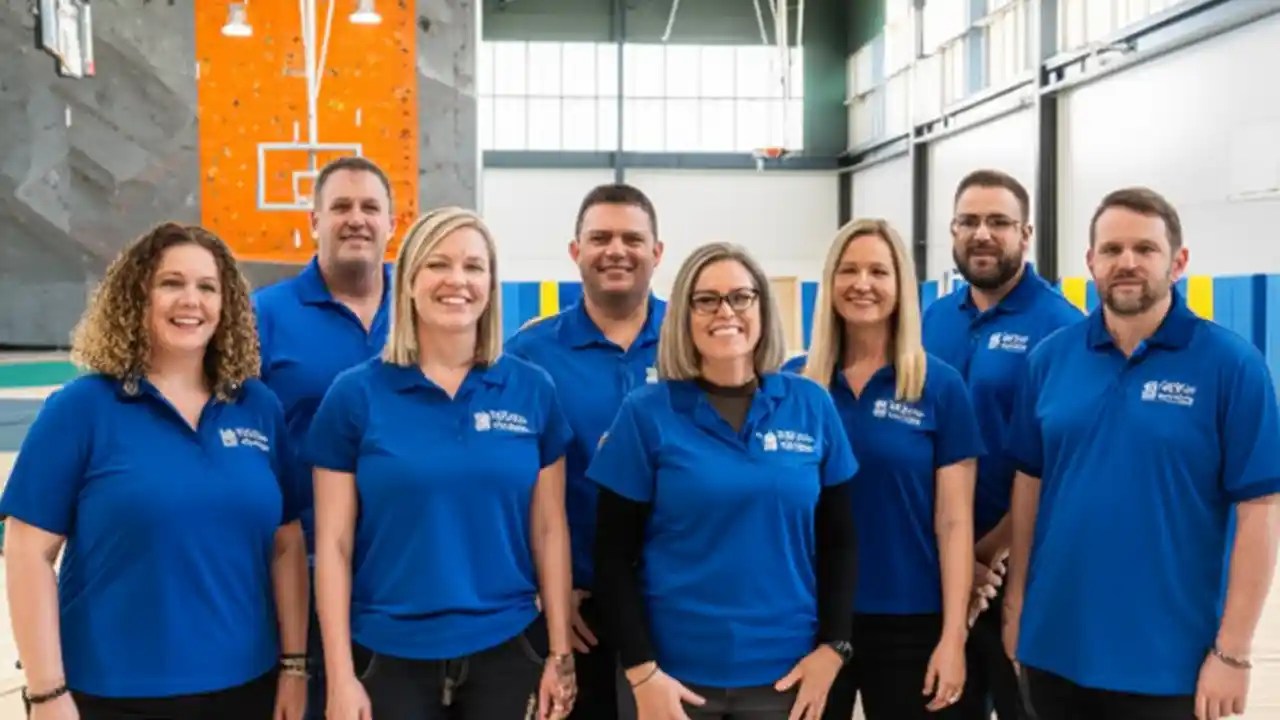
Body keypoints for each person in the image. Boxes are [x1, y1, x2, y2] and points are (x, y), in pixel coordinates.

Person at [1, 222, 309, 719]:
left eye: (207, 287)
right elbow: (26, 552)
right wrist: (47, 693)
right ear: (137, 297)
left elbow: (286, 542)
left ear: (226, 305)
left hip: (246, 688)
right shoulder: (82, 409)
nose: (191, 300)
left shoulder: (257, 406)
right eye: (171, 283)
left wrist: (294, 666)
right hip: (113, 694)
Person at [1002, 187, 1280, 719]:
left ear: (1178, 262)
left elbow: (1260, 511)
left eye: (1145, 249)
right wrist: (1016, 603)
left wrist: (1234, 651)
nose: (1127, 262)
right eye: (1111, 250)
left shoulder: (1232, 366)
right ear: (1090, 263)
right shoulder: (1049, 362)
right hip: (1054, 650)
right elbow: (1029, 489)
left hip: (1171, 664)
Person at [304, 207, 578, 720]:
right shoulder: (355, 396)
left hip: (508, 647)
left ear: (491, 284)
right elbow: (333, 547)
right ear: (407, 280)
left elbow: (549, 531)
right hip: (386, 656)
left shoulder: (531, 390)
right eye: (438, 265)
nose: (457, 281)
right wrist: (339, 675)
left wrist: (559, 654)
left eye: (473, 267)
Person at [589, 241, 859, 720]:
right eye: (706, 299)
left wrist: (835, 647)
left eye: (741, 296)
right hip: (671, 678)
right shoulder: (646, 414)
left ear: (762, 306)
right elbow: (611, 555)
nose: (725, 312)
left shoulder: (811, 405)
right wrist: (641, 671)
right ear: (684, 316)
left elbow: (840, 542)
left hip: (786, 676)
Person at [786, 219, 983, 719]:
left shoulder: (940, 387)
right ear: (829, 283)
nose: (862, 283)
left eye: (879, 270)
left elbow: (955, 522)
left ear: (901, 286)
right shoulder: (794, 386)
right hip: (809, 619)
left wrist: (953, 637)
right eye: (848, 270)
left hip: (911, 621)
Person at [921, 169, 1082, 719]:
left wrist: (988, 554)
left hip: (1017, 573)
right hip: (939, 566)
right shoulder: (933, 319)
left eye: (998, 221)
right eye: (968, 221)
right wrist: (957, 557)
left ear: (1026, 233)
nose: (981, 233)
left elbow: (1053, 463)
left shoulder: (1062, 327)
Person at [506, 183, 666, 719]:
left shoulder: (695, 337)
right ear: (575, 251)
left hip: (676, 602)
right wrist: (547, 589)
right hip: (574, 611)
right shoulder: (529, 354)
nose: (616, 250)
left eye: (632, 238)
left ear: (657, 253)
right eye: (599, 238)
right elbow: (509, 481)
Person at [253, 155, 396, 720]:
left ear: (392, 221)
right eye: (340, 207)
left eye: (369, 207)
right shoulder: (264, 315)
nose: (355, 219)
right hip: (300, 570)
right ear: (314, 220)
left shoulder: (423, 310)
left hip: (403, 570)